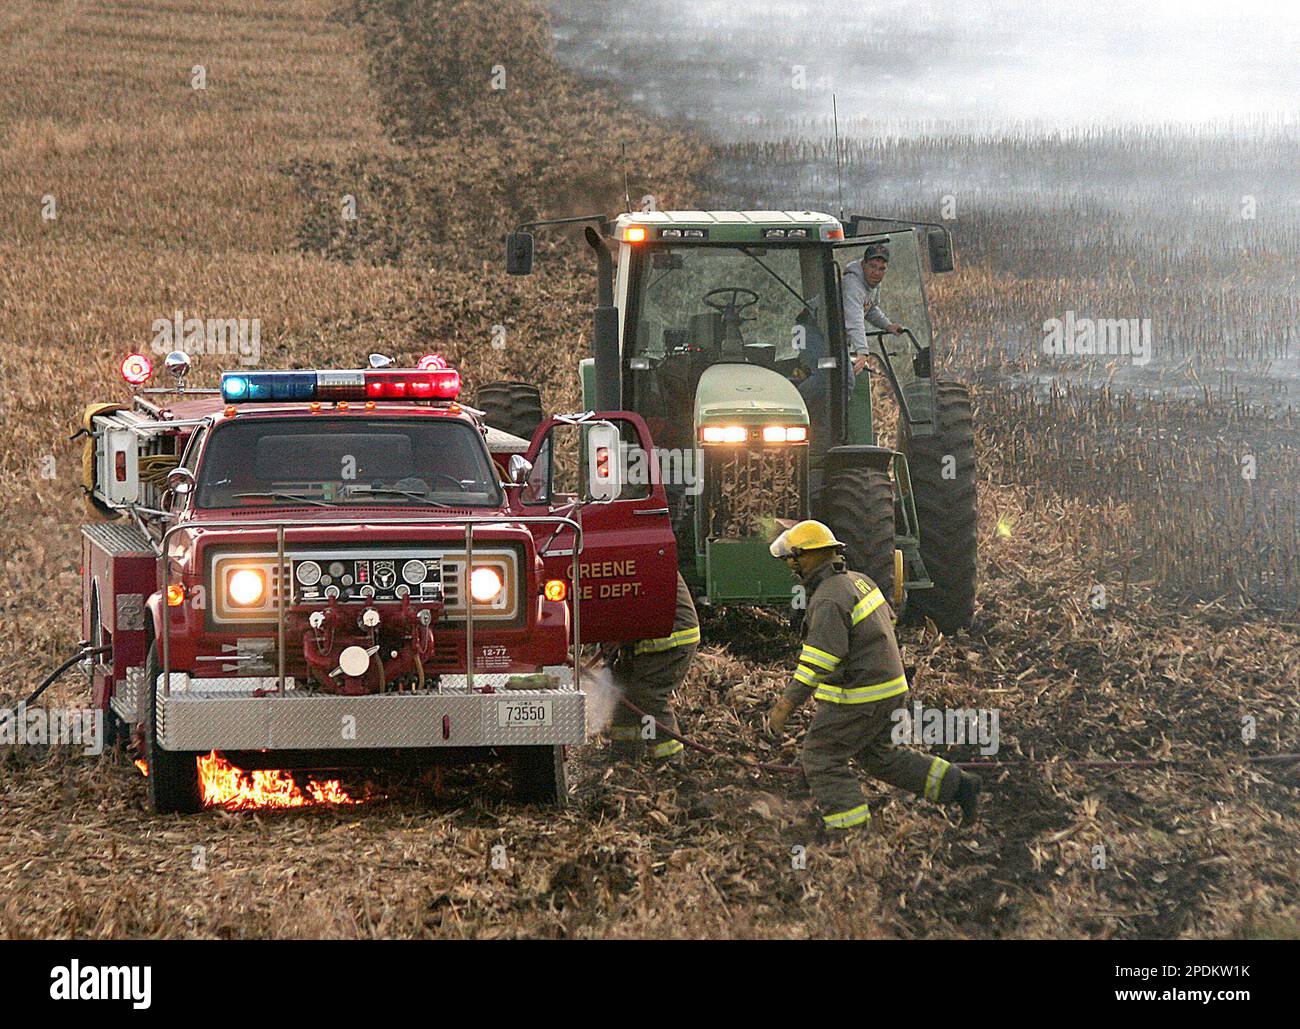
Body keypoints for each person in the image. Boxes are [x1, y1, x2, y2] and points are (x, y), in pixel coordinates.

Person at [767, 520, 981, 832]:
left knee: (821, 757)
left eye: (792, 557)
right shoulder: (859, 581)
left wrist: (785, 705)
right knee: (881, 756)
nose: (789, 564)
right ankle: (960, 785)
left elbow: (818, 663)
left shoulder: (829, 597)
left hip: (861, 696)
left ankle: (851, 834)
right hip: (889, 689)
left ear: (809, 557)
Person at [607, 573, 700, 764]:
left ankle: (670, 761)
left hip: (670, 638)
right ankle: (625, 755)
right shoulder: (627, 556)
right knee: (624, 692)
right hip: (652, 638)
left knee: (649, 695)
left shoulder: (632, 558)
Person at [841, 243, 904, 379]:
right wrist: (862, 351)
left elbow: (869, 309)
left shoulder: (872, 284)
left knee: (847, 379)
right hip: (815, 330)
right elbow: (854, 319)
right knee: (841, 380)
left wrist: (888, 325)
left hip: (836, 337)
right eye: (872, 266)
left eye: (882, 269)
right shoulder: (852, 284)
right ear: (863, 264)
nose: (876, 272)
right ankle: (794, 397)